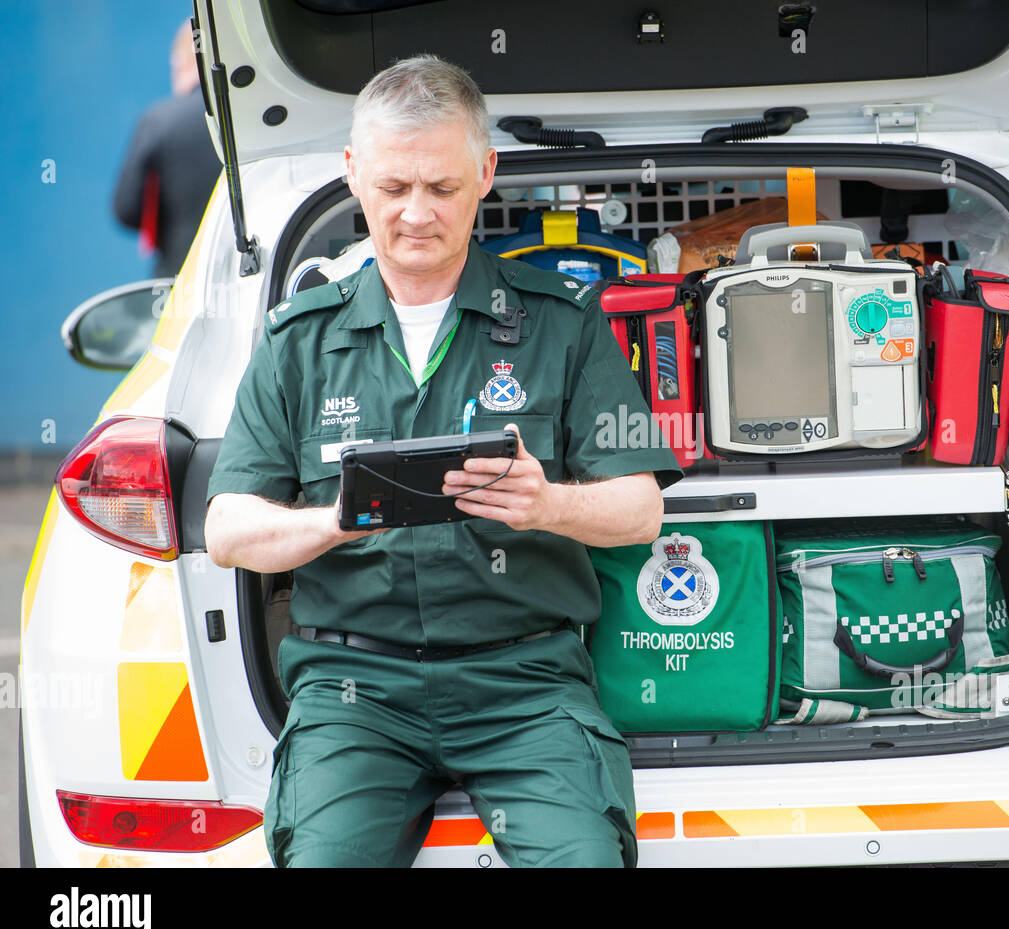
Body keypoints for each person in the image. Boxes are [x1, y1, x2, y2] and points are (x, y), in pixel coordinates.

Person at [204, 54, 682, 868]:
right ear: (353, 175)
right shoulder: (297, 341)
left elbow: (642, 509)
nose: (416, 214)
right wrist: (338, 520)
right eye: (393, 188)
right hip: (355, 697)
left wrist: (547, 505)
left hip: (525, 685)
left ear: (486, 173)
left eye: (442, 187)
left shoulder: (560, 323)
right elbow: (226, 529)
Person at [112, 20, 223, 277]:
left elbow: (126, 210)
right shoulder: (249, 119)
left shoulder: (158, 122)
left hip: (179, 281)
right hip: (250, 278)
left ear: (180, 62)